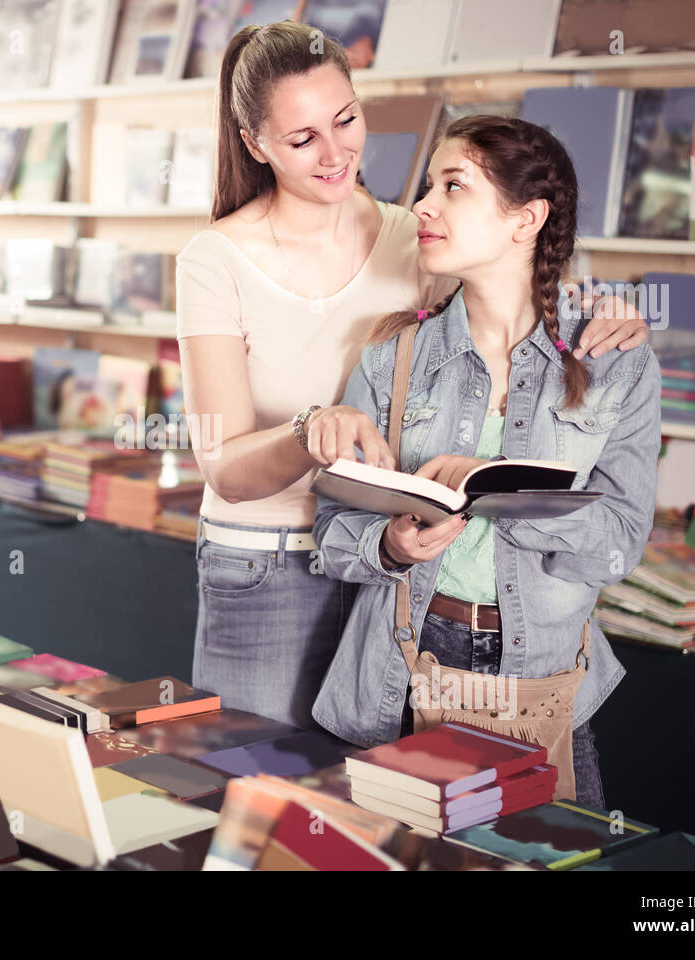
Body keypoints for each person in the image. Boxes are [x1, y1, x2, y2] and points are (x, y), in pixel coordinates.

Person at [176, 20, 649, 729]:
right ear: (255, 144)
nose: (337, 154)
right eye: (303, 140)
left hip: (395, 576)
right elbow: (225, 469)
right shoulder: (214, 259)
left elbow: (512, 282)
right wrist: (310, 432)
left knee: (371, 810)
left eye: (346, 120)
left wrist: (601, 306)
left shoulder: (414, 237)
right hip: (267, 566)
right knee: (265, 797)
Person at [311, 115, 662, 808]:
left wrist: (511, 504)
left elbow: (621, 543)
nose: (423, 206)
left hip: (545, 678)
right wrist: (391, 543)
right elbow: (329, 536)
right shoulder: (390, 359)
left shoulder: (617, 361)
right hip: (403, 670)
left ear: (525, 219)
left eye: (454, 186)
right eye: (427, 184)